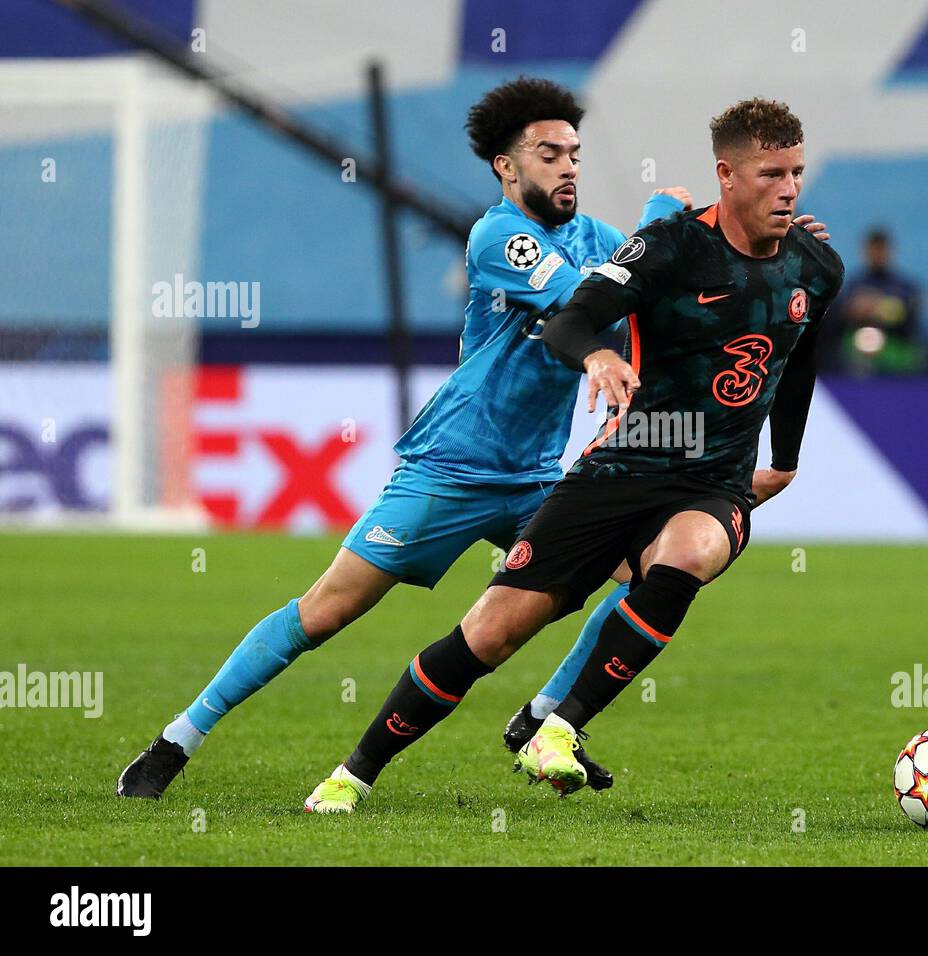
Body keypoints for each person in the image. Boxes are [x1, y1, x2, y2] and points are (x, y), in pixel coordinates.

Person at [115, 76, 693, 800]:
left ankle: (543, 720)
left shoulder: (591, 236)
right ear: (506, 168)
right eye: (549, 154)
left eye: (574, 153)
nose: (569, 166)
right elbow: (583, 303)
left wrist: (749, 239)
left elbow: (664, 284)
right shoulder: (497, 236)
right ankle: (178, 739)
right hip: (453, 467)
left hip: (539, 475)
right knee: (327, 610)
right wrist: (652, 232)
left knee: (651, 575)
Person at [302, 96, 843, 811]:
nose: (790, 189)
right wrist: (596, 358)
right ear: (728, 176)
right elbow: (572, 318)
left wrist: (788, 456)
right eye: (772, 173)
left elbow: (799, 356)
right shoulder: (671, 248)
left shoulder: (816, 265)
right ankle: (354, 774)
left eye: (797, 173)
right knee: (490, 634)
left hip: (713, 480)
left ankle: (557, 726)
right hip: (623, 463)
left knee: (691, 554)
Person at [820, 227, 926, 375]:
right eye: (873, 250)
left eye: (881, 250)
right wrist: (853, 311)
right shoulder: (853, 284)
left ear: (889, 252)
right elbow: (840, 316)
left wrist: (880, 308)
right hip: (855, 349)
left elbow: (911, 320)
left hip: (895, 346)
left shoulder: (905, 287)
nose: (877, 255)